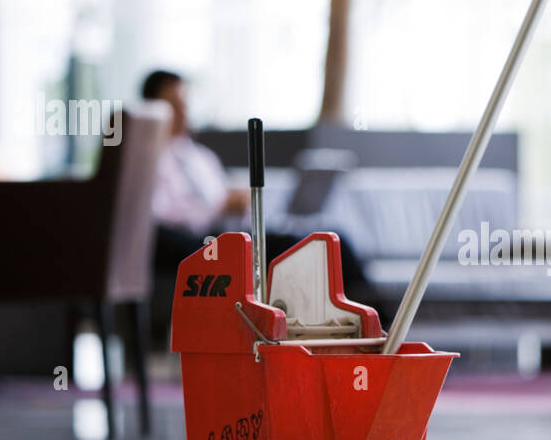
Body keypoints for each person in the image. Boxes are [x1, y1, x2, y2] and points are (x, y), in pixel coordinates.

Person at [142, 70, 378, 314]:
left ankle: (370, 317)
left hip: (232, 234)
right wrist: (217, 207)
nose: (183, 113)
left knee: (332, 240)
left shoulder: (200, 157)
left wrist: (236, 203)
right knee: (305, 246)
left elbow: (221, 200)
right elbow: (160, 217)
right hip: (200, 244)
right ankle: (374, 317)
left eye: (185, 104)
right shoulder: (149, 159)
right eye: (174, 105)